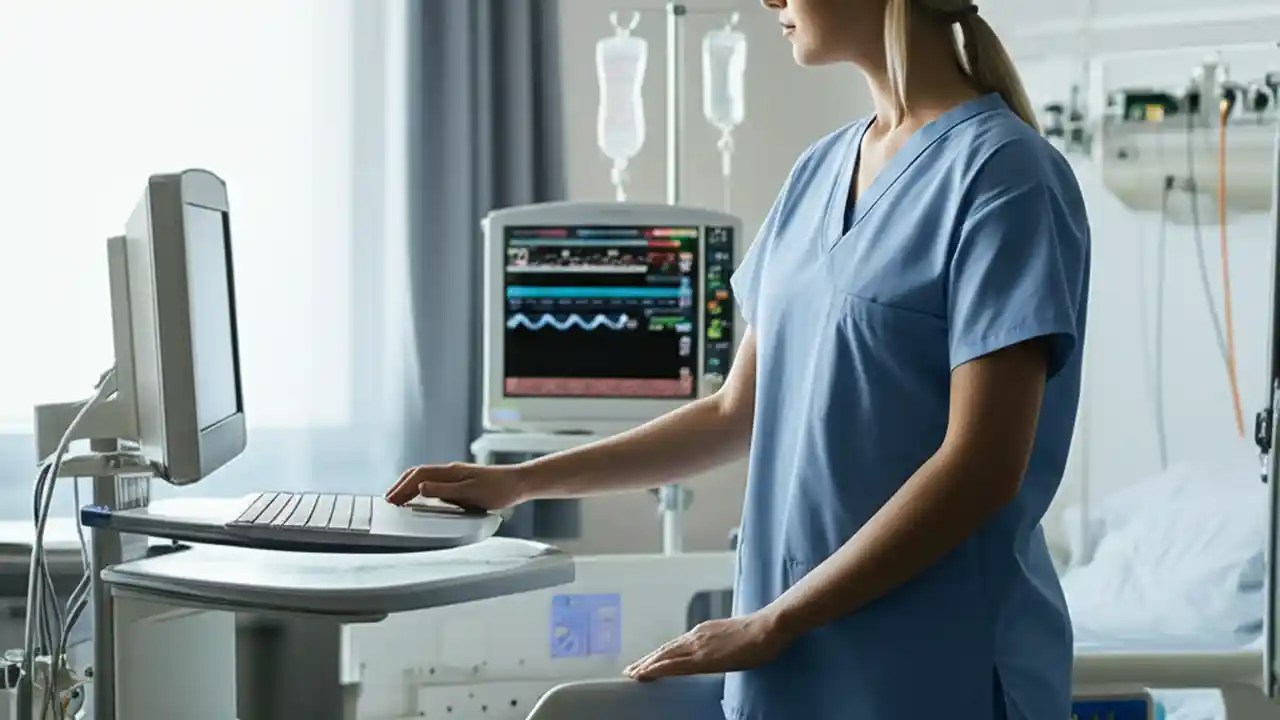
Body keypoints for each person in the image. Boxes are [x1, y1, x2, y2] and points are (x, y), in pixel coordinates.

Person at [386, 0, 1090, 716]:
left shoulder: (1005, 178)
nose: (770, 1)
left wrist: (775, 620)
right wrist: (519, 483)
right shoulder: (819, 170)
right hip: (791, 664)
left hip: (932, 668)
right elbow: (734, 412)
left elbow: (981, 466)